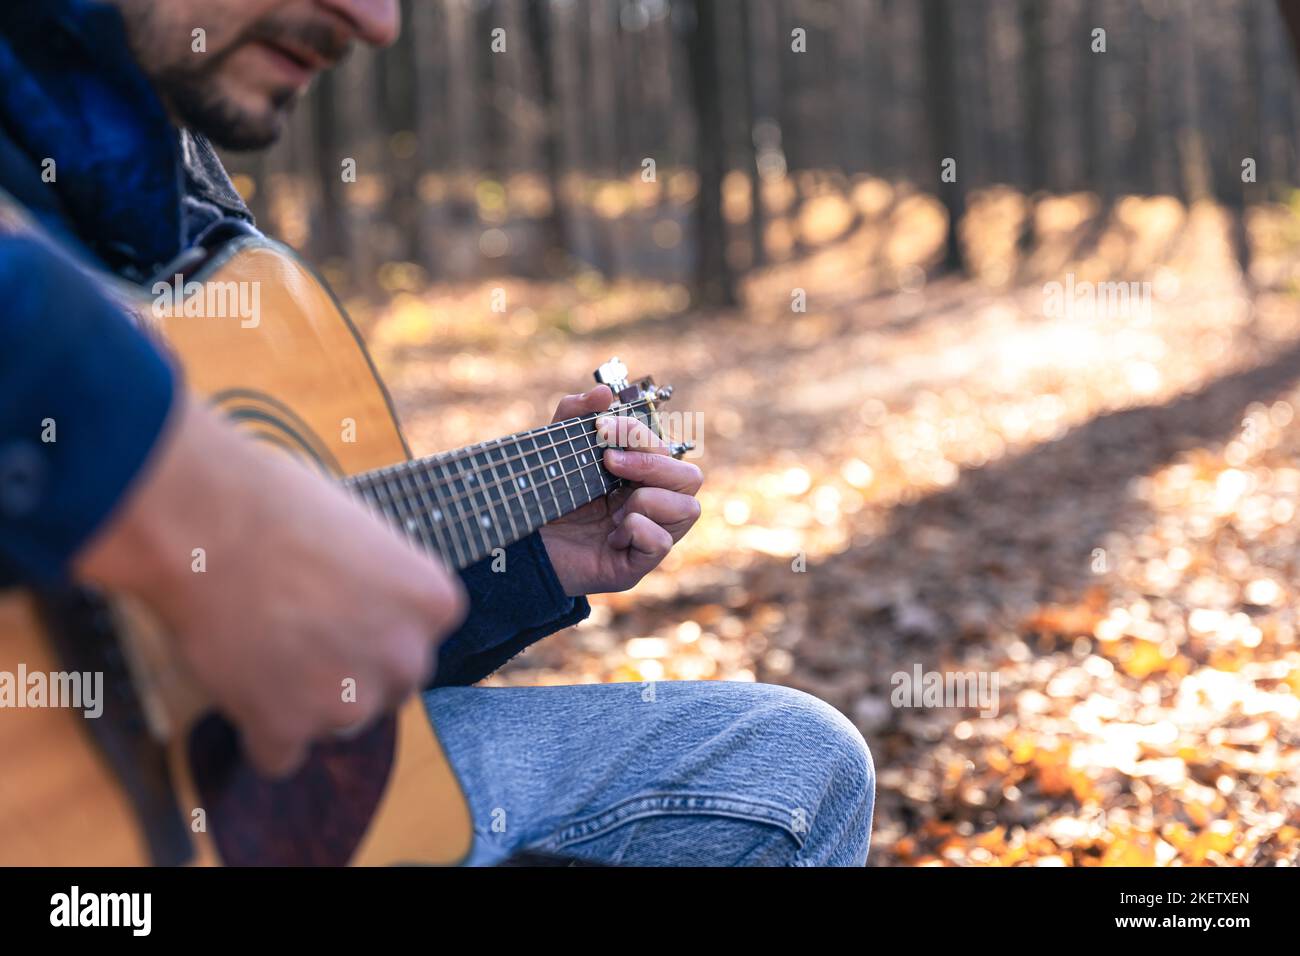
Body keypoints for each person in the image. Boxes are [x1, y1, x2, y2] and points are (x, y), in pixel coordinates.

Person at [0, 0, 873, 866]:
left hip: (205, 793)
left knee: (795, 761)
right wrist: (186, 499)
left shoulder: (180, 189)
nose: (376, 23)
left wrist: (528, 560)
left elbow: (316, 664)